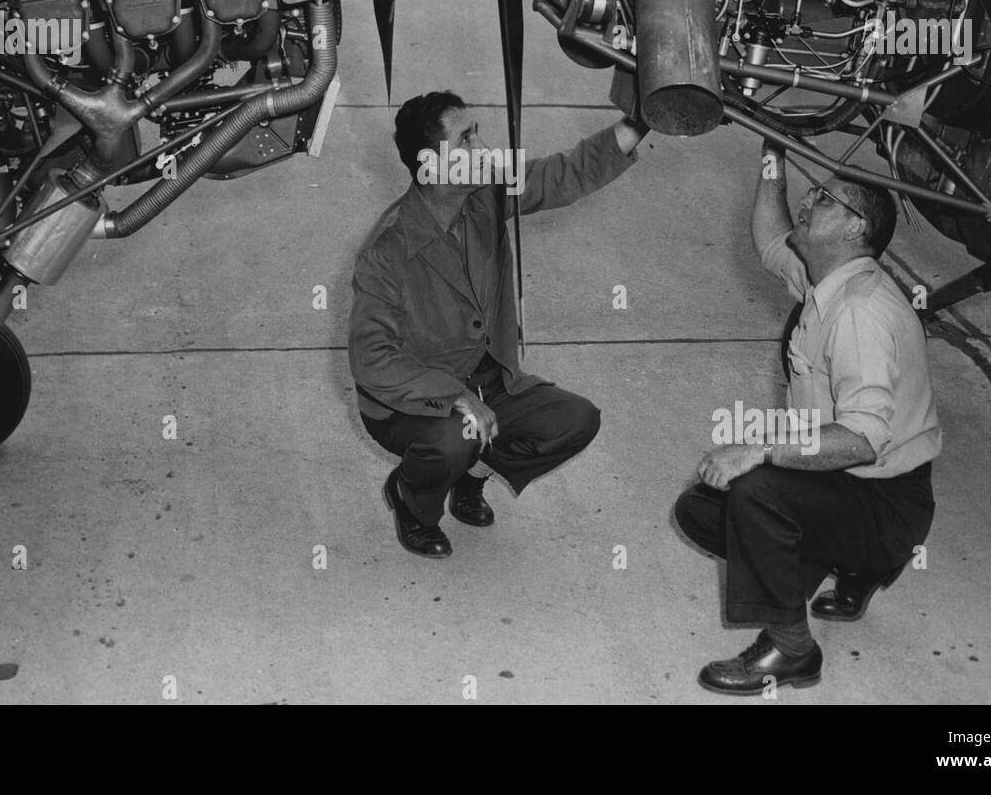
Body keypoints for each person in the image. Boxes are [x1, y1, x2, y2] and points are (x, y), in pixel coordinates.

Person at [674, 142, 941, 695]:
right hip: (851, 484)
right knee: (702, 508)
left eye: (824, 199)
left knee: (757, 491)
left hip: (887, 501)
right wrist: (770, 151)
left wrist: (759, 450)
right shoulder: (828, 279)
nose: (808, 201)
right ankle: (852, 567)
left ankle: (792, 649)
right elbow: (771, 240)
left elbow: (864, 440)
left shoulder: (860, 311)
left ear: (854, 228)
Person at [349, 92, 646, 558]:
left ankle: (473, 474)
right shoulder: (388, 250)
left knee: (575, 420)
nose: (484, 148)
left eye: (478, 133)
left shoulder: (485, 192)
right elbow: (372, 361)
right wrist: (458, 399)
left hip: (491, 379)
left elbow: (561, 173)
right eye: (467, 139)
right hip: (412, 400)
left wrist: (642, 120)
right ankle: (412, 500)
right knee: (453, 438)